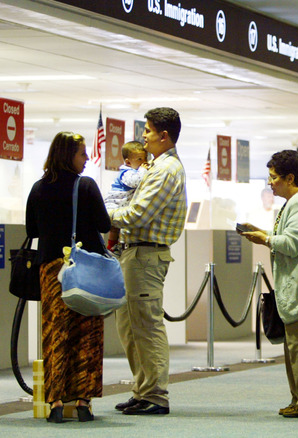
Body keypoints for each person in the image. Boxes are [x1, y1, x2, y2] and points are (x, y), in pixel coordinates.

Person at [26, 132, 110, 423]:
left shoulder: (38, 188)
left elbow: (32, 230)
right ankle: (84, 402)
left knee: (55, 334)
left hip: (51, 270)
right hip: (84, 269)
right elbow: (104, 223)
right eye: (82, 154)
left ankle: (56, 402)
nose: (87, 159)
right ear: (67, 155)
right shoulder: (85, 186)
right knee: (87, 333)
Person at [111, 108, 187, 416]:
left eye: (148, 130)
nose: (143, 136)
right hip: (134, 252)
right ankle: (142, 389)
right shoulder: (155, 166)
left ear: (163, 135)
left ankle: (156, 395)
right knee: (130, 326)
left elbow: (137, 214)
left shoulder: (167, 169)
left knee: (146, 324)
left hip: (146, 254)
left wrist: (104, 216)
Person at [241, 150, 298, 418]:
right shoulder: (297, 202)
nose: (270, 183)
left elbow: (293, 243)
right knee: (296, 348)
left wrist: (265, 240)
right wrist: (265, 233)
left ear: (290, 178)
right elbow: (290, 237)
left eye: (274, 178)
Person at [104, 141, 148, 251]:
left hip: (123, 205)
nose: (144, 162)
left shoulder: (136, 171)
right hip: (115, 204)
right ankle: (111, 246)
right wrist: (143, 170)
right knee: (114, 228)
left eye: (145, 158)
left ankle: (114, 246)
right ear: (128, 162)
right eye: (139, 159)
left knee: (118, 228)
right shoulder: (127, 172)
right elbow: (135, 182)